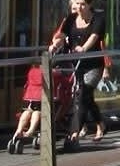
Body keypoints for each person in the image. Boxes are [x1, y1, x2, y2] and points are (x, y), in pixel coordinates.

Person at [6, 16, 76, 154]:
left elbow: (67, 70)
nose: (57, 43)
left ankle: (29, 131)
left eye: (60, 41)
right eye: (56, 41)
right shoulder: (49, 53)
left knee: (34, 112)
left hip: (51, 92)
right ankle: (20, 131)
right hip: (38, 94)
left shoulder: (66, 55)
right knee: (28, 113)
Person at [55, 0, 106, 142]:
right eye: (77, 3)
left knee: (82, 95)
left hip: (93, 64)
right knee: (86, 97)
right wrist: (55, 45)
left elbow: (94, 37)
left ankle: (74, 132)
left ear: (90, 5)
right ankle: (101, 124)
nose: (79, 7)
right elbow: (61, 35)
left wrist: (84, 48)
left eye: (83, 4)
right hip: (77, 64)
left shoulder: (98, 18)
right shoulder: (71, 18)